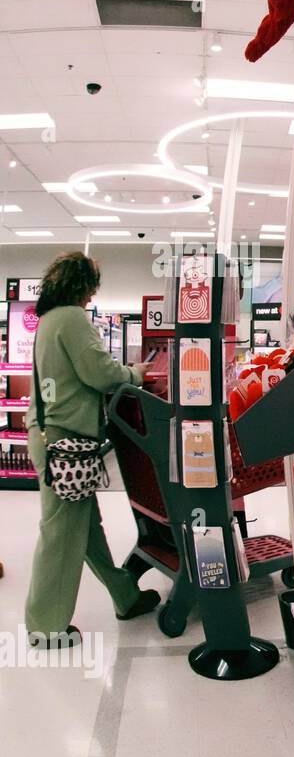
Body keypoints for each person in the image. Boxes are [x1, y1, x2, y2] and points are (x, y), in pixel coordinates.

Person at [26, 252, 161, 649]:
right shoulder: (71, 318)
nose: (90, 297)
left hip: (51, 437)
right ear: (82, 285)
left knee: (85, 530)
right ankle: (45, 627)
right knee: (59, 536)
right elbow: (99, 373)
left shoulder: (48, 321)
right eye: (90, 289)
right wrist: (135, 374)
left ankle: (126, 596)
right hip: (65, 442)